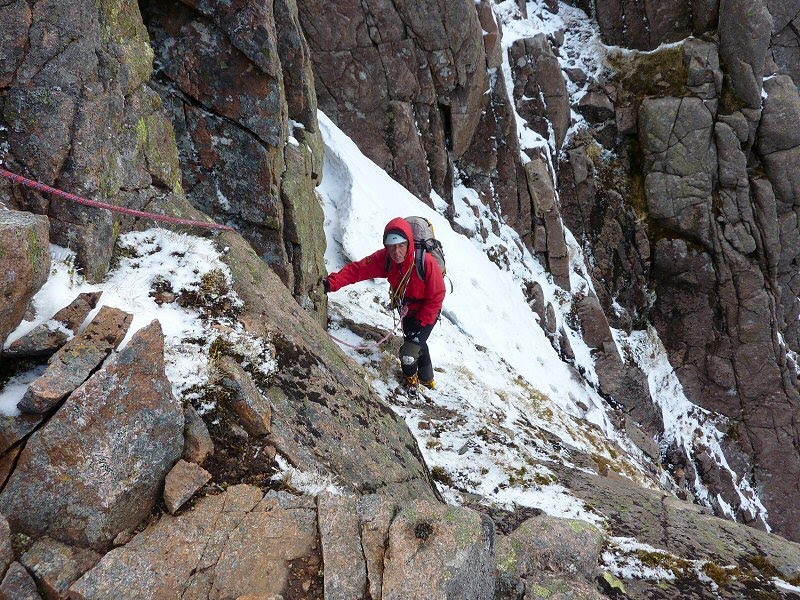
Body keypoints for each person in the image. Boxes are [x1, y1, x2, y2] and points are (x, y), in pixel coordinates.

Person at [323, 217, 446, 393]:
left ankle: (411, 382)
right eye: (392, 246)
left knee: (409, 352)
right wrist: (332, 283)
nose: (397, 252)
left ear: (409, 244)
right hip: (406, 309)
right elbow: (357, 270)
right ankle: (428, 380)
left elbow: (437, 295)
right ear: (386, 247)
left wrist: (422, 320)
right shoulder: (385, 259)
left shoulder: (425, 262)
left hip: (427, 311)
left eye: (401, 245)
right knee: (417, 341)